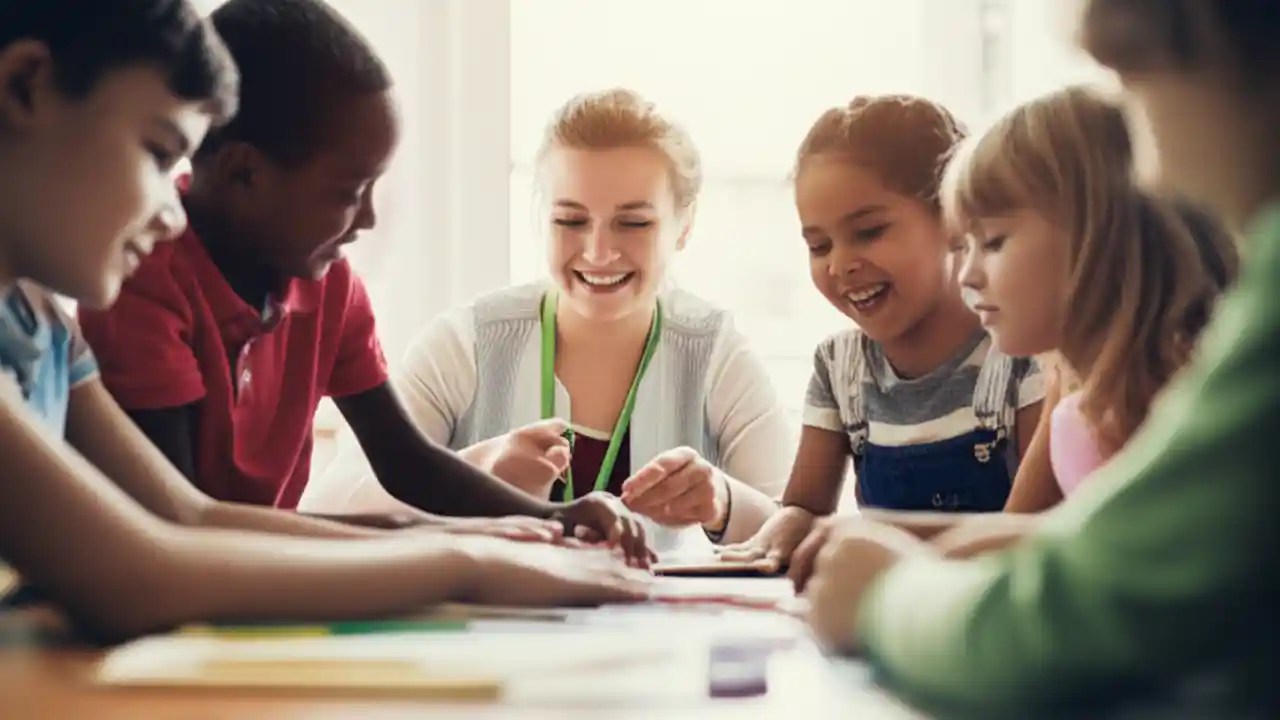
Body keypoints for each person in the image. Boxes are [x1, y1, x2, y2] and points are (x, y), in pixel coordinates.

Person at [0, 0, 647, 641]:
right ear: (26, 87)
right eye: (157, 151)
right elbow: (140, 575)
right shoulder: (137, 287)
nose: (170, 213)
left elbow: (186, 514)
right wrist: (465, 563)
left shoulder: (44, 328)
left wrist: (480, 537)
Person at [803, 1, 1280, 715]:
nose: (1147, 166)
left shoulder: (1171, 372)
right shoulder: (1069, 382)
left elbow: (1074, 610)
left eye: (1134, 82)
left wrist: (885, 595)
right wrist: (867, 538)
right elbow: (1063, 539)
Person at [302, 89, 794, 553]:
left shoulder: (714, 353)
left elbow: (795, 525)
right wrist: (480, 469)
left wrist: (722, 501)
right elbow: (330, 509)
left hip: (661, 632)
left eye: (634, 222)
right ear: (542, 217)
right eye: (571, 221)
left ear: (684, 226)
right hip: (492, 630)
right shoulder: (467, 342)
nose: (599, 251)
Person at [719, 95, 1043, 572]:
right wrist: (771, 540)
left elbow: (1035, 532)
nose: (840, 264)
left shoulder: (1020, 355)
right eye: (818, 245)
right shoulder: (839, 366)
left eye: (869, 232)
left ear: (953, 218)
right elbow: (805, 509)